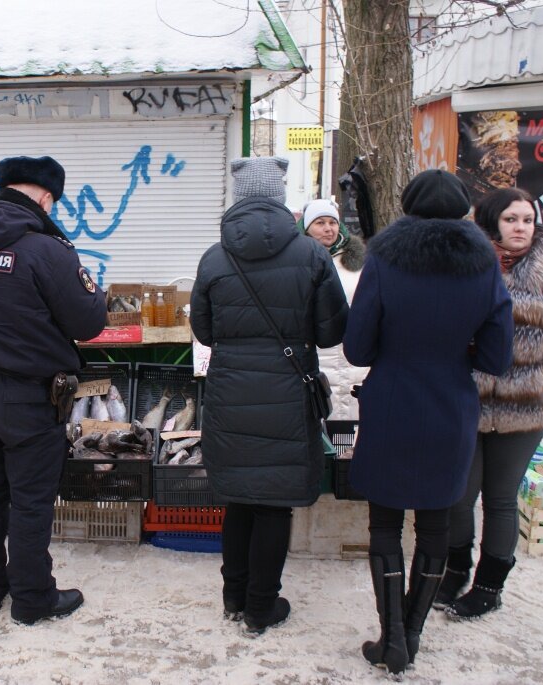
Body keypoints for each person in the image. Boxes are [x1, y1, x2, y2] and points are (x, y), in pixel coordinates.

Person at [343, 169, 514, 675]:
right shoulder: (486, 266)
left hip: (391, 399)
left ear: (408, 205)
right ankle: (413, 634)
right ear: (465, 209)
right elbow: (496, 357)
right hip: (451, 406)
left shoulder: (385, 260)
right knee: (436, 523)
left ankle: (391, 636)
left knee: (385, 523)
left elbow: (356, 348)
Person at [0, 155, 107, 626]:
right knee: (31, 500)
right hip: (29, 394)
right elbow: (89, 321)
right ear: (45, 196)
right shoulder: (47, 249)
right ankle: (33, 600)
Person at [191, 157, 348, 636]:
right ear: (280, 197)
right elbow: (330, 333)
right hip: (286, 390)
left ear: (238, 198)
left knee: (238, 499)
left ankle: (233, 598)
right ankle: (261, 606)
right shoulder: (311, 255)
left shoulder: (215, 257)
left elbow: (204, 329)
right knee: (273, 503)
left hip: (231, 389)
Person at [437, 187, 543, 619]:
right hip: (466, 400)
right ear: (491, 222)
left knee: (501, 499)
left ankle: (489, 585)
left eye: (527, 219)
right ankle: (455, 571)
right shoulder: (462, 265)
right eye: (511, 219)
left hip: (524, 406)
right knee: (458, 495)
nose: (521, 228)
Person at [300, 199, 367, 418]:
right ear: (307, 228)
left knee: (352, 424)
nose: (328, 229)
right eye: (320, 223)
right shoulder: (298, 262)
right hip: (317, 356)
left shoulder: (358, 264)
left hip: (352, 359)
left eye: (332, 222)